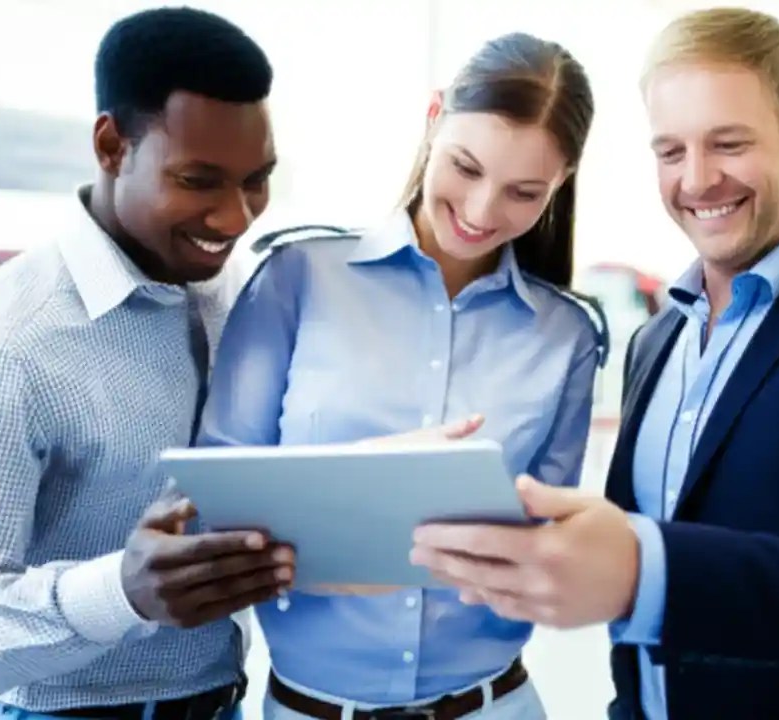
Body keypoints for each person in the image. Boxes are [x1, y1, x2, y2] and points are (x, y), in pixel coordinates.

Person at [411, 8, 779, 719]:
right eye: (670, 151)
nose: (698, 179)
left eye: (728, 143)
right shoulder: (656, 343)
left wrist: (640, 570)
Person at [196, 31, 603, 720]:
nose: (480, 213)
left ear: (560, 183)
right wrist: (360, 495)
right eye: (466, 168)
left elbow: (548, 540)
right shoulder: (297, 279)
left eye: (523, 191)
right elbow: (214, 498)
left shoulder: (567, 335)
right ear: (434, 117)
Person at [0, 7, 297, 720]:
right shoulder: (13, 345)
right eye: (199, 180)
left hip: (222, 701)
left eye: (255, 180)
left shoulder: (234, 297)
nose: (236, 218)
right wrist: (122, 593)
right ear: (112, 146)